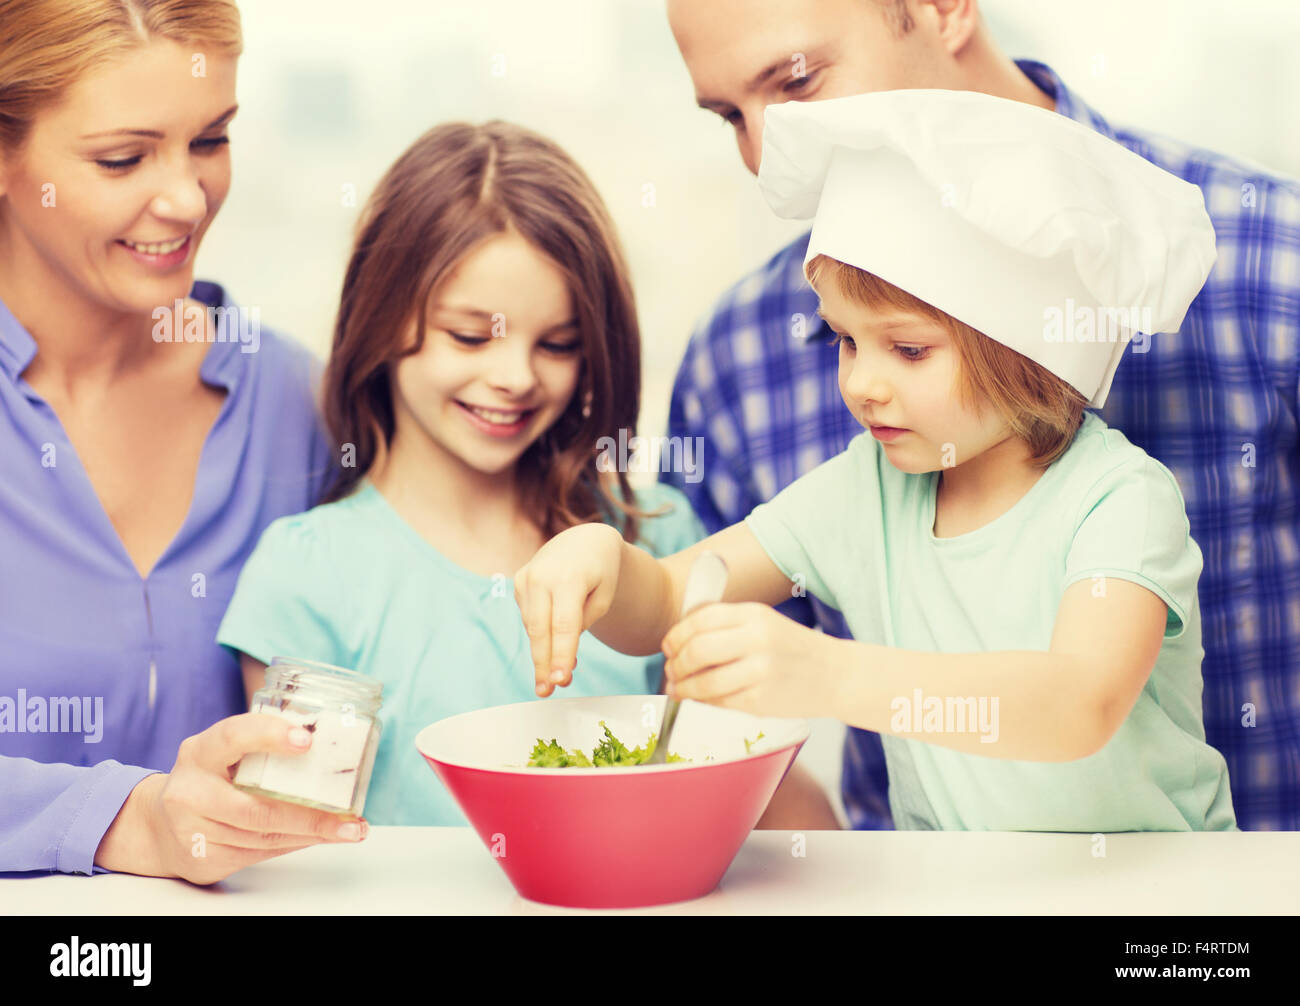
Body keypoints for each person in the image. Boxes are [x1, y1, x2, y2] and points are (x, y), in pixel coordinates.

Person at [513, 87, 1238, 833]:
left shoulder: (1119, 501)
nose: (861, 382)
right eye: (846, 341)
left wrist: (829, 674)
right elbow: (674, 599)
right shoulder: (868, 490)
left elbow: (1077, 705)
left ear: (1028, 350)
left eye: (909, 349)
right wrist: (602, 562)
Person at [660, 0, 1299, 830]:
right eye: (726, 117)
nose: (763, 154)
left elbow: (1077, 699)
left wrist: (831, 673)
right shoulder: (748, 369)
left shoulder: (1268, 270)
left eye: (795, 80)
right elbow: (693, 634)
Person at [215, 121, 707, 825]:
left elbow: (727, 795)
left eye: (559, 344)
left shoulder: (653, 538)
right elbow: (300, 848)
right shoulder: (308, 574)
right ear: (380, 318)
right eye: (470, 337)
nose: (514, 377)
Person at [0, 0, 358, 883]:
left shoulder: (298, 405)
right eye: (123, 158)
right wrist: (130, 819)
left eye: (211, 141)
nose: (187, 199)